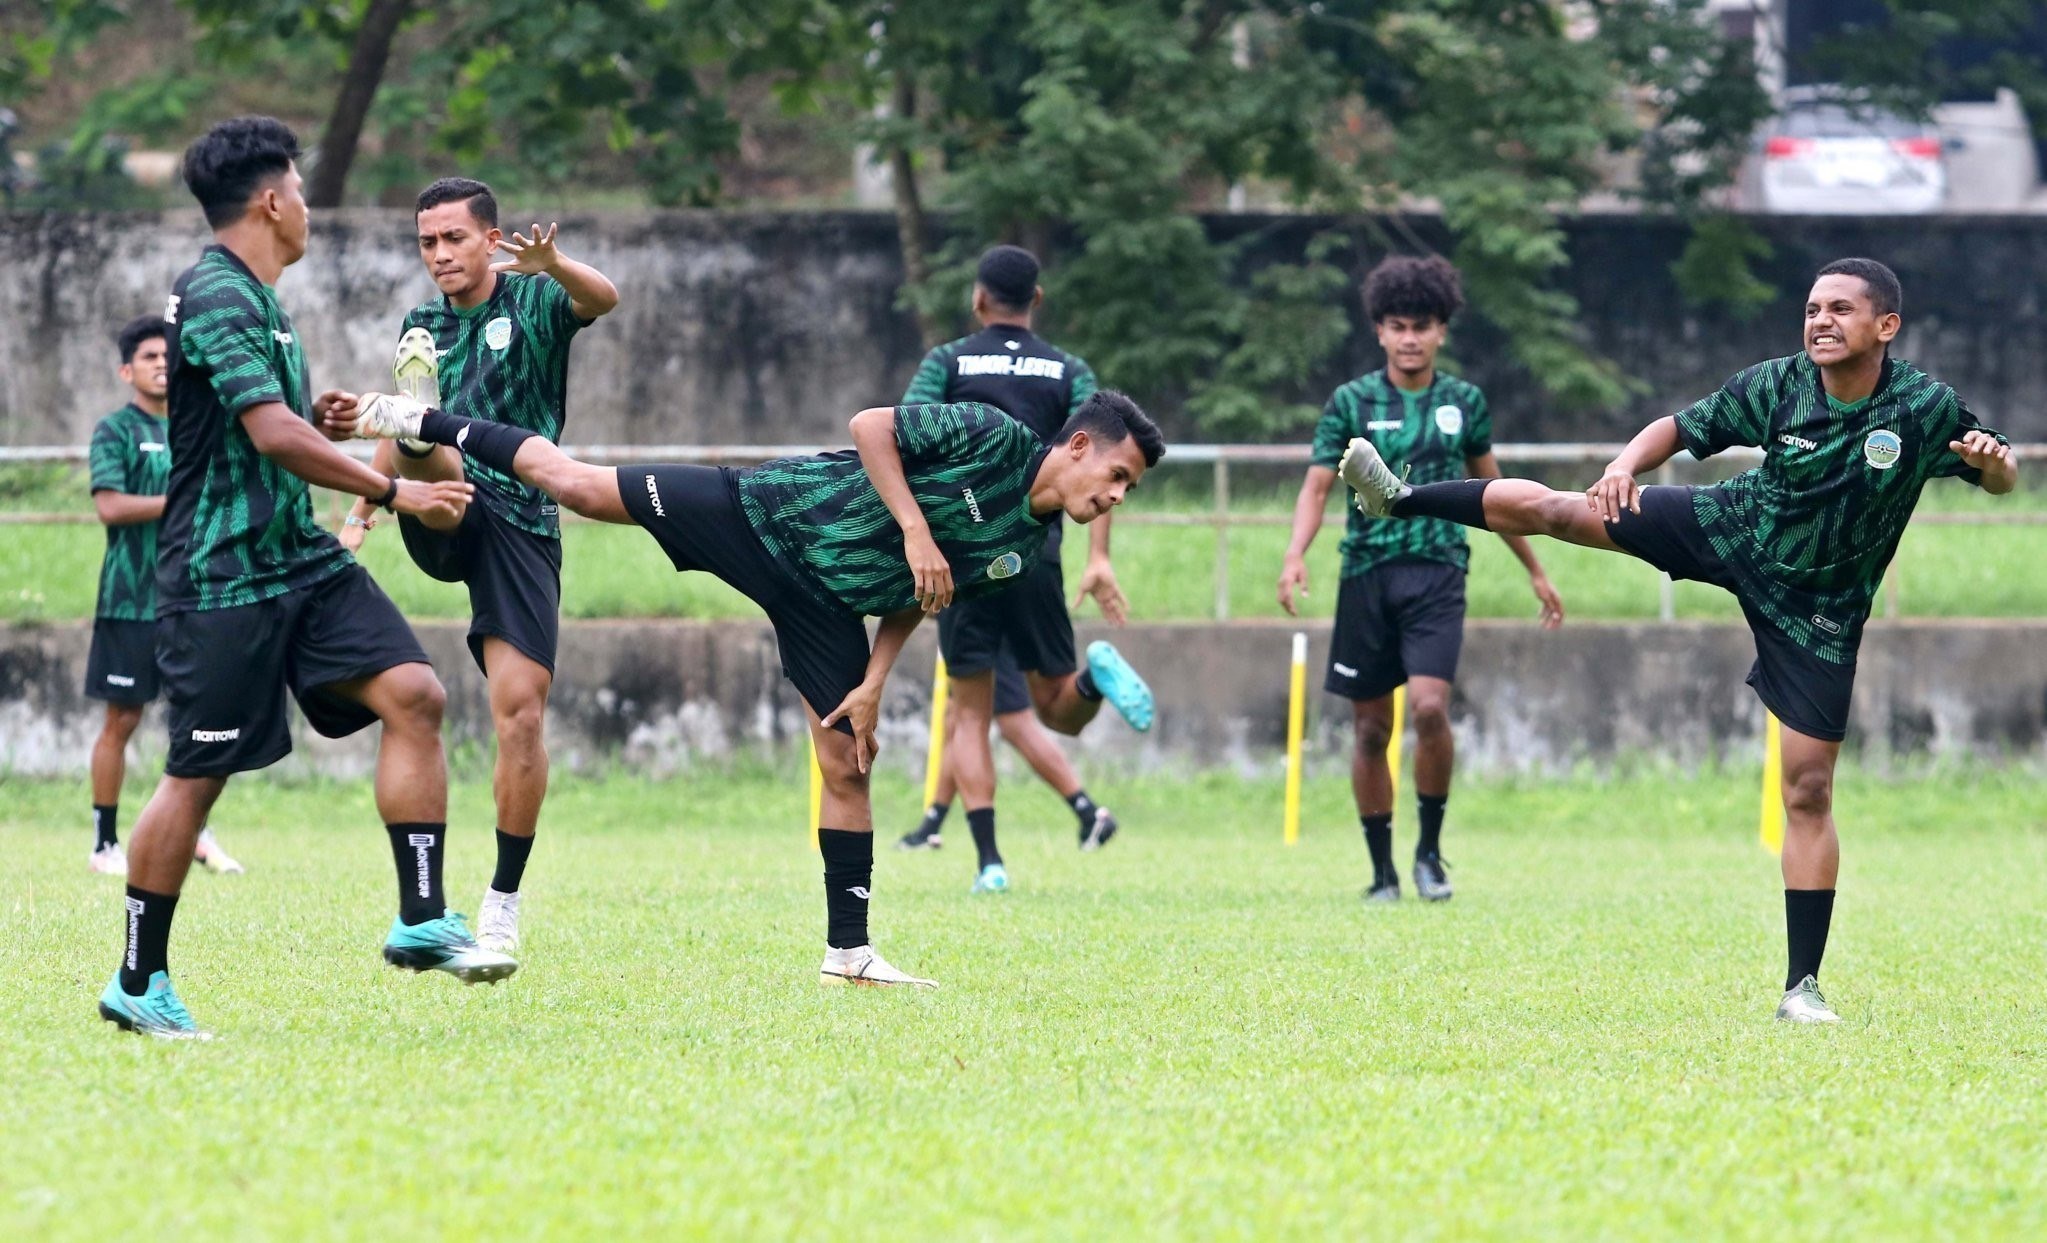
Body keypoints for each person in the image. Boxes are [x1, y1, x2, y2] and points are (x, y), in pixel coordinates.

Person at [1335, 257, 2017, 1022]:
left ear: (1883, 326)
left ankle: (1801, 988)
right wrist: (1622, 465)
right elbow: (1677, 429)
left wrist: (1995, 467)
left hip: (1817, 607)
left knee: (1808, 788)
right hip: (1734, 528)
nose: (1819, 321)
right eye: (1811, 308)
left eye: (1839, 310)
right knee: (1564, 512)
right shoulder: (1776, 383)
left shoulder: (1922, 406)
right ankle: (1397, 499)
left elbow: (1996, 470)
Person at [350, 388, 1165, 987]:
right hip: (762, 511)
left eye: (1129, 489)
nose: (1117, 496)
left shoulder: (1024, 548)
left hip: (825, 604)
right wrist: (915, 525)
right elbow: (869, 426)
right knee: (576, 487)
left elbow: (926, 591)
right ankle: (421, 420)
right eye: (1119, 475)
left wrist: (877, 680)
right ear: (1081, 444)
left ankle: (848, 951)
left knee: (848, 758)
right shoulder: (991, 435)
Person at [97, 117, 516, 1041]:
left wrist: (331, 422)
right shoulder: (214, 293)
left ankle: (419, 917)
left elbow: (275, 427)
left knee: (413, 692)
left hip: (296, 554)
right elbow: (268, 435)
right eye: (301, 187)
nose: (308, 206)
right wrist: (394, 492)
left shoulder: (260, 297)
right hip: (221, 576)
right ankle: (138, 977)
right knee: (196, 775)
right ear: (272, 200)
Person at [341, 177, 618, 953]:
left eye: (453, 238)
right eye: (427, 242)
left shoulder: (532, 301)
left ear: (490, 240)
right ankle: (431, 443)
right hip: (441, 506)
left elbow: (605, 297)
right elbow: (393, 431)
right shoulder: (421, 320)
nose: (439, 255)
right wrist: (362, 510)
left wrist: (556, 264)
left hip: (521, 519)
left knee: (521, 713)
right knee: (421, 430)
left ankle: (501, 899)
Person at [1277, 255, 1562, 904]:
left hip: (1437, 572)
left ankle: (1429, 853)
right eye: (1396, 326)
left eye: (1422, 325)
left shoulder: (1462, 402)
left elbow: (1496, 493)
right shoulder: (1349, 402)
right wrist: (1295, 554)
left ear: (1441, 330)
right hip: (1367, 577)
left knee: (1430, 708)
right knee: (1371, 729)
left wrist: (1535, 569)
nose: (1409, 337)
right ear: (1378, 330)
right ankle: (1381, 871)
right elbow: (1316, 486)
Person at [892, 245, 1145, 892]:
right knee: (1057, 706)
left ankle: (990, 863)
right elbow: (1104, 462)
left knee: (970, 711)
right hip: (1039, 553)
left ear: (978, 299)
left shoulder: (947, 360)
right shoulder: (1067, 369)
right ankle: (1094, 678)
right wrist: (1099, 557)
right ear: (1037, 300)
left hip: (966, 557)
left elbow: (909, 433)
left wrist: (920, 528)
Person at [84, 314, 243, 878]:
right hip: (131, 602)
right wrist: (183, 497)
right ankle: (105, 843)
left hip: (195, 597)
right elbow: (111, 507)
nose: (159, 365)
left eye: (166, 356)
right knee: (122, 720)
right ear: (128, 370)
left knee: (198, 719)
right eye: (148, 357)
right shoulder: (115, 431)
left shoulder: (196, 427)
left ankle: (197, 833)